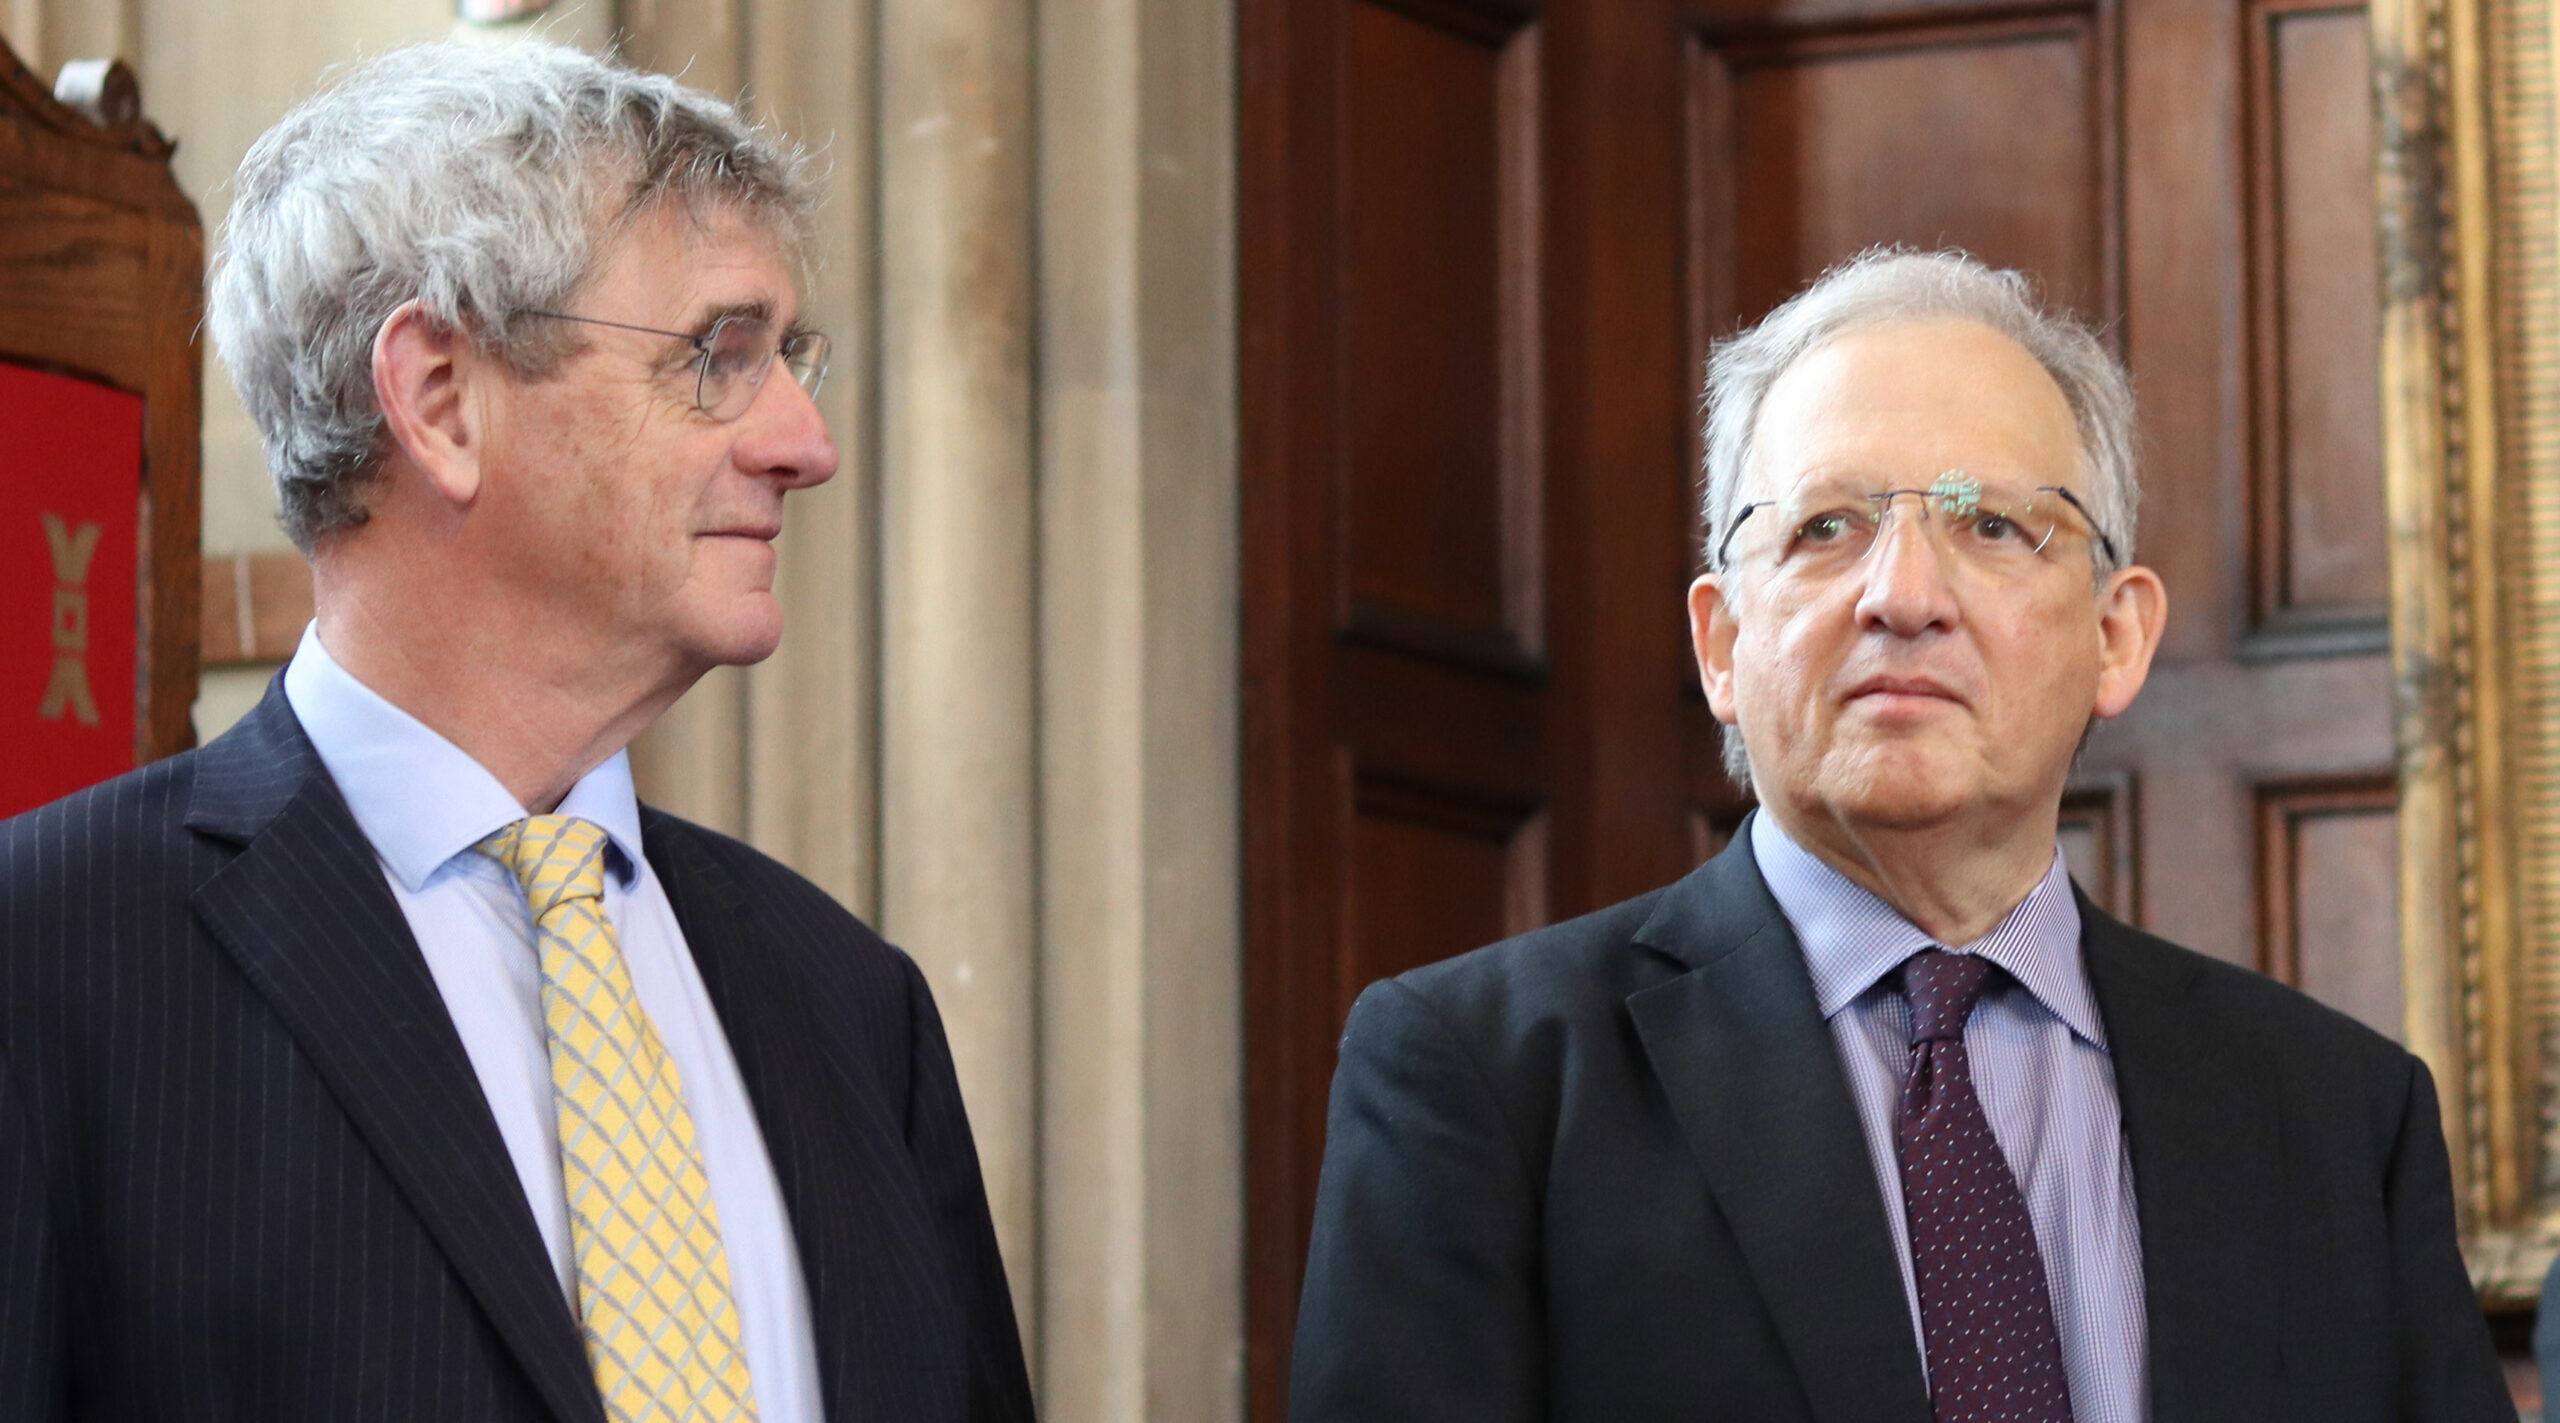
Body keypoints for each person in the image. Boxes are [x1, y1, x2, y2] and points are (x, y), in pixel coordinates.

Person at [1289, 250, 2512, 1422]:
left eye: (1990, 525)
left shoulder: (2337, 1117)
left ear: (2116, 636)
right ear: (1720, 644)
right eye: (1826, 526)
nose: (1903, 594)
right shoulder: (1487, 1079)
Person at [0, 41, 1033, 1423]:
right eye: (722, 354)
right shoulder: (46, 962)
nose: (806, 439)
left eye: (792, 354)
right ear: (437, 396)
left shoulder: (853, 1002)